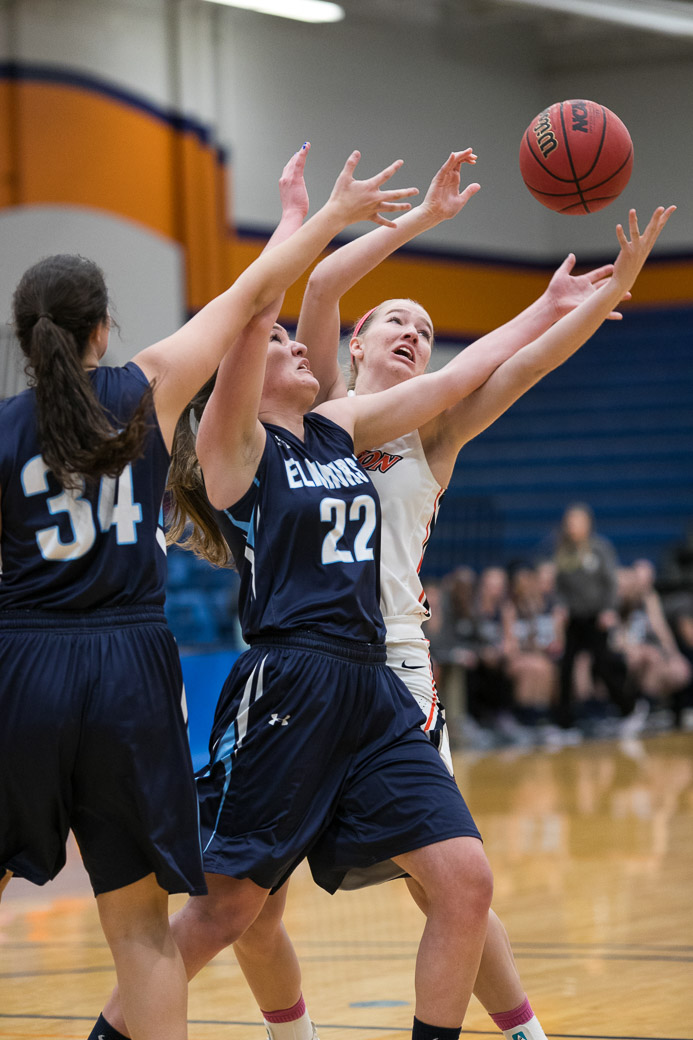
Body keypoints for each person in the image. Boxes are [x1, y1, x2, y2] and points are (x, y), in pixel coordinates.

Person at [90, 145, 672, 1038]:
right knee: (245, 910)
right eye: (394, 317)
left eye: (426, 323)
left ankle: (517, 1029)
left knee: (455, 880)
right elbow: (299, 295)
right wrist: (404, 221)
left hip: (391, 669)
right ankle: (281, 1026)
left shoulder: (402, 433)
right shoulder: (301, 412)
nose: (412, 329)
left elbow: (494, 370)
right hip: (293, 676)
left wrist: (577, 300)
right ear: (350, 344)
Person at [0, 142, 419, 1040]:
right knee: (142, 935)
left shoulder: (3, 431)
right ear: (101, 330)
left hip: (25, 659)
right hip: (127, 665)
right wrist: (312, 215)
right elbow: (252, 301)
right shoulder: (147, 386)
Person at [553, 503, 637, 733]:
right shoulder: (564, 551)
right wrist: (560, 606)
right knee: (566, 667)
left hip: (597, 618)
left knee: (603, 665)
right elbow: (559, 587)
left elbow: (611, 583)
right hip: (574, 619)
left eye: (576, 521)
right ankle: (564, 723)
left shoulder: (600, 549)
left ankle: (629, 709)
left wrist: (610, 609)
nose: (572, 526)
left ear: (587, 524)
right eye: (569, 521)